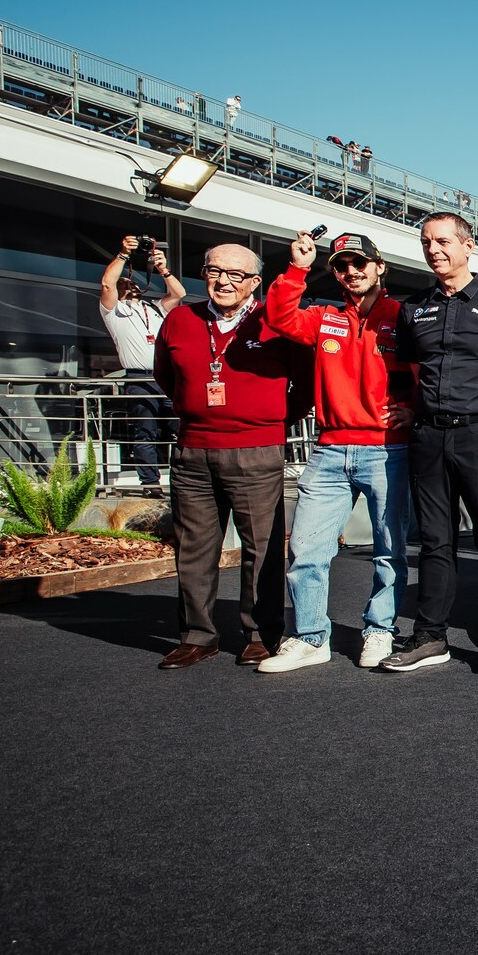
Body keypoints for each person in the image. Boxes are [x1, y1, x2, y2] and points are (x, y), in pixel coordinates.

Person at [381, 212, 478, 674]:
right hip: (429, 436)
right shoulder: (414, 309)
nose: (434, 250)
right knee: (433, 541)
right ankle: (430, 636)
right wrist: (425, 412)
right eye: (427, 242)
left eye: (444, 241)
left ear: (468, 247)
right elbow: (416, 372)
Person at [258, 231, 415, 672]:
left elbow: (431, 370)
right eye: (342, 266)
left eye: (360, 263)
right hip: (328, 450)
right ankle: (310, 638)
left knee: (390, 549)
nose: (351, 272)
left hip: (389, 450)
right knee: (306, 549)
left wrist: (415, 410)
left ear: (380, 267)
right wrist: (298, 267)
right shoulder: (322, 316)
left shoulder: (403, 317)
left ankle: (380, 630)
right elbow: (278, 316)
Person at [153, 243, 307, 670]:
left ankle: (261, 635)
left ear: (255, 283)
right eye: (214, 270)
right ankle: (198, 636)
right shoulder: (181, 319)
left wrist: (271, 422)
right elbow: (166, 375)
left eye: (236, 274)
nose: (223, 281)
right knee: (193, 548)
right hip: (193, 452)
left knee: (262, 549)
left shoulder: (275, 324)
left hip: (257, 451)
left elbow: (307, 386)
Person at [99, 235, 187, 489]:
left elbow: (179, 293)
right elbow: (107, 284)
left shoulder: (156, 307)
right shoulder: (114, 310)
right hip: (138, 378)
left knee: (183, 428)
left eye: (131, 281)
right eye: (124, 281)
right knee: (145, 431)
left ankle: (185, 478)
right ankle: (150, 483)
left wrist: (163, 268)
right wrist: (124, 254)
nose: (130, 284)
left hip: (167, 377)